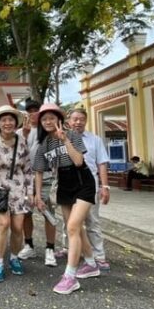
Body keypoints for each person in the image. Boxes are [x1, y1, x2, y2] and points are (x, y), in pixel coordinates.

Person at [33, 103, 100, 294]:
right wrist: (38, 196)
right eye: (44, 119)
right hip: (63, 183)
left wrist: (65, 140)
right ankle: (91, 264)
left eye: (51, 118)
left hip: (83, 181)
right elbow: (38, 172)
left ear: (59, 120)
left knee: (72, 227)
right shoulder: (43, 144)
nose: (48, 121)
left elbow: (79, 161)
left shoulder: (71, 135)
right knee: (77, 229)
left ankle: (70, 277)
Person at [0, 105, 33, 282]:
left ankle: (14, 258)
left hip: (19, 189)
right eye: (3, 120)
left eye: (10, 119)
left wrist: (30, 192)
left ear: (15, 123)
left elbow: (27, 169)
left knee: (18, 227)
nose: (7, 123)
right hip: (0, 188)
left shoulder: (22, 141)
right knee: (3, 224)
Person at [17, 98, 61, 267]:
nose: (32, 113)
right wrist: (25, 135)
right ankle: (29, 245)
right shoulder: (21, 132)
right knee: (26, 213)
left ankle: (50, 248)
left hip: (47, 177)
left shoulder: (48, 130)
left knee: (48, 212)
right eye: (29, 111)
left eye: (36, 110)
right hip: (26, 178)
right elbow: (19, 155)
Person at [68, 108, 111, 270]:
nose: (78, 122)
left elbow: (102, 163)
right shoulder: (63, 138)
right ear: (69, 122)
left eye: (81, 119)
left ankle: (99, 255)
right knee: (70, 221)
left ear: (85, 121)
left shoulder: (95, 140)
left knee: (92, 220)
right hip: (70, 184)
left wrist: (104, 186)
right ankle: (72, 251)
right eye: (75, 119)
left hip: (90, 184)